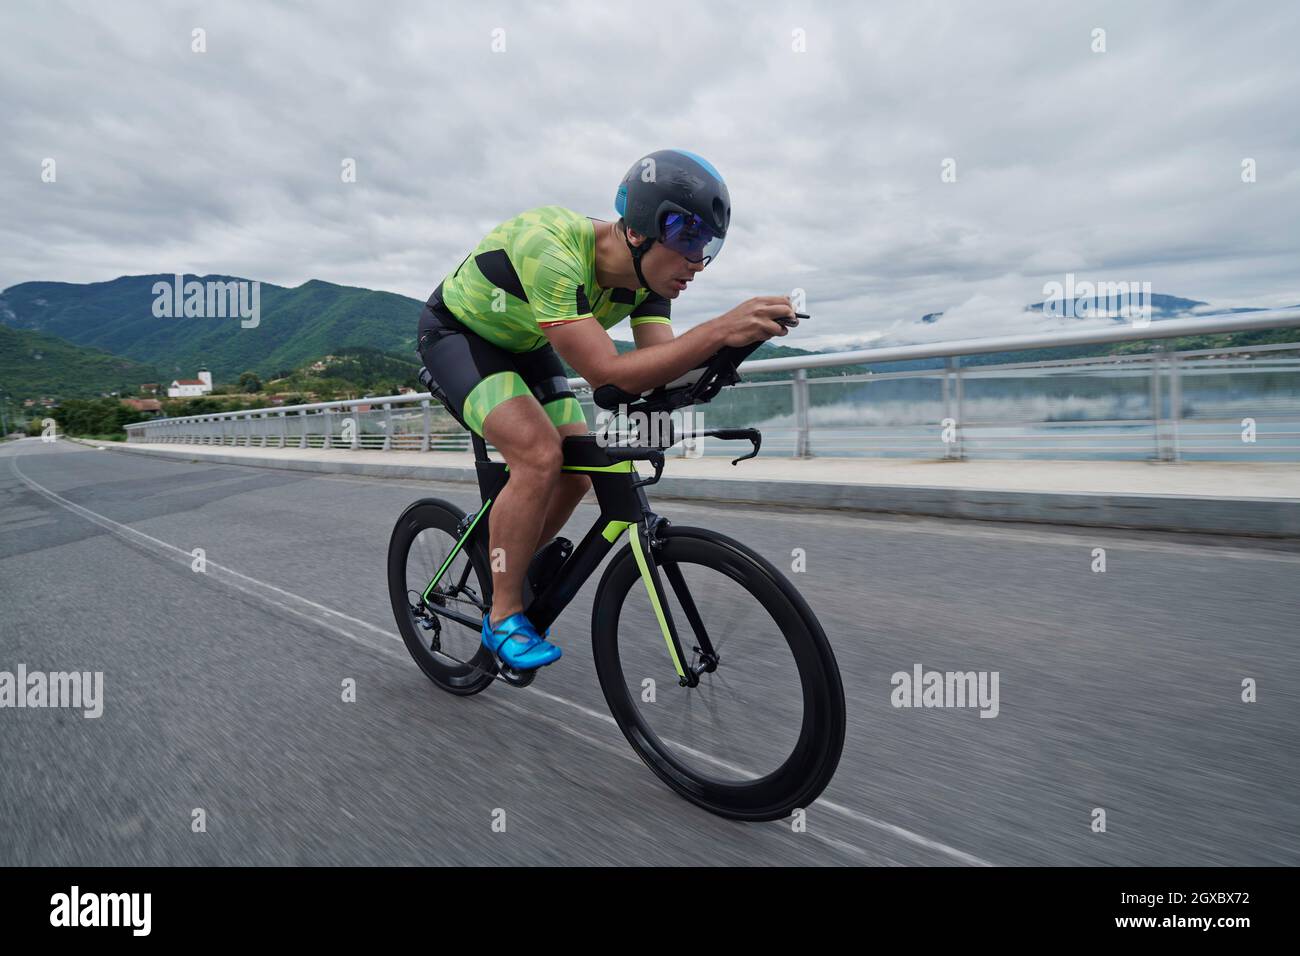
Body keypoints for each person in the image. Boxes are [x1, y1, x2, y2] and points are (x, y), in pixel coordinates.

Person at [417, 149, 797, 670]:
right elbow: (608, 374)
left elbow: (655, 368)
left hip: (528, 344)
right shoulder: (550, 247)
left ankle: (502, 560)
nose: (697, 263)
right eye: (688, 238)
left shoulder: (649, 285)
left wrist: (718, 361)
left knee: (577, 471)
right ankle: (502, 613)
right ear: (641, 227)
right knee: (538, 456)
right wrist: (719, 327)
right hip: (458, 336)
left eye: (708, 246)